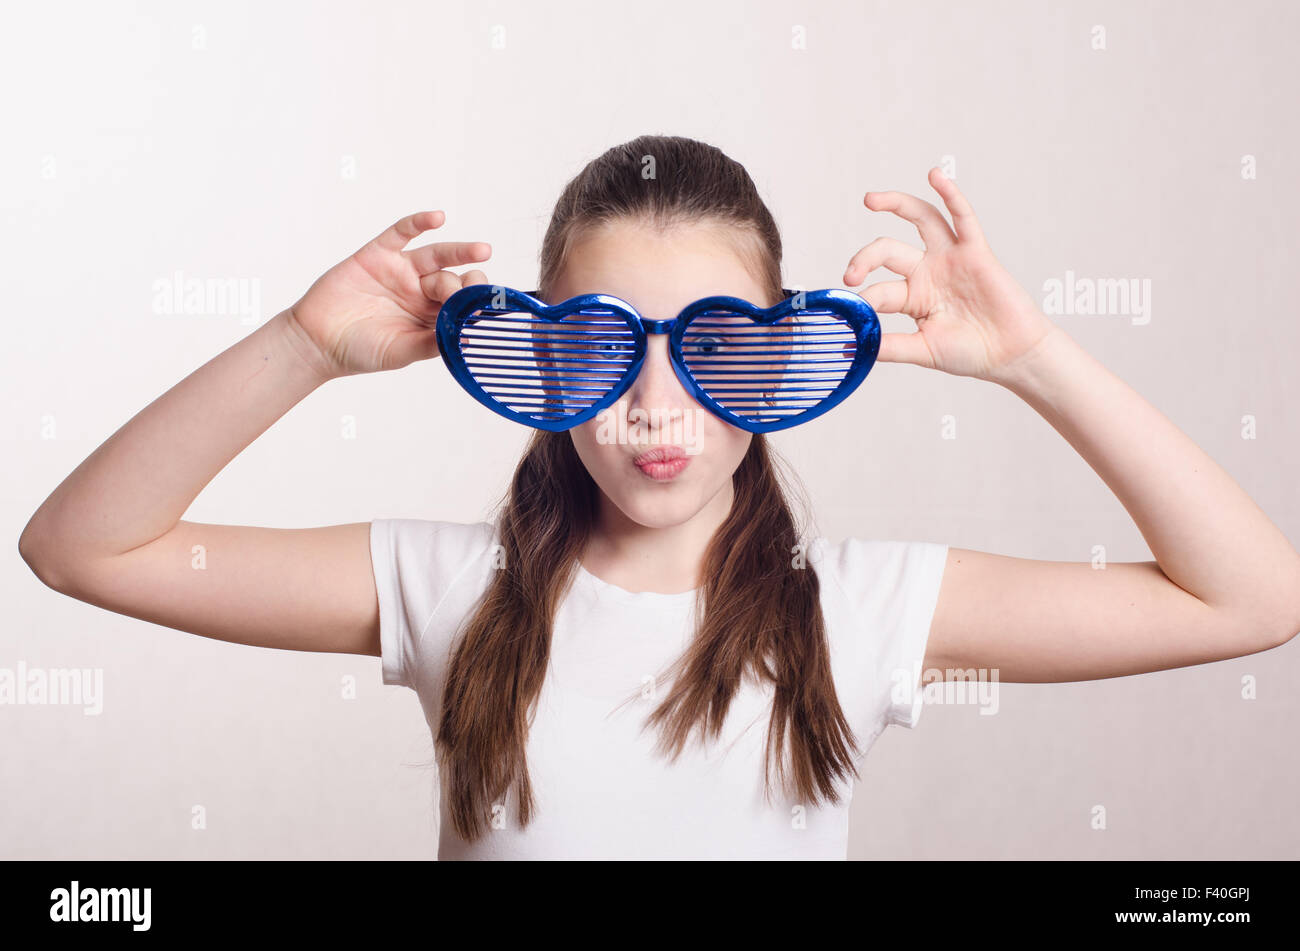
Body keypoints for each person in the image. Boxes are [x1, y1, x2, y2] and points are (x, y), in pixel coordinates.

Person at [19, 135, 1300, 859]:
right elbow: (82, 549)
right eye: (598, 343)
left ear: (783, 357)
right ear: (539, 359)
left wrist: (1036, 363)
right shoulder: (449, 591)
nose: (655, 402)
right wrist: (302, 343)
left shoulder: (862, 610)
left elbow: (1251, 600)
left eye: (717, 345)